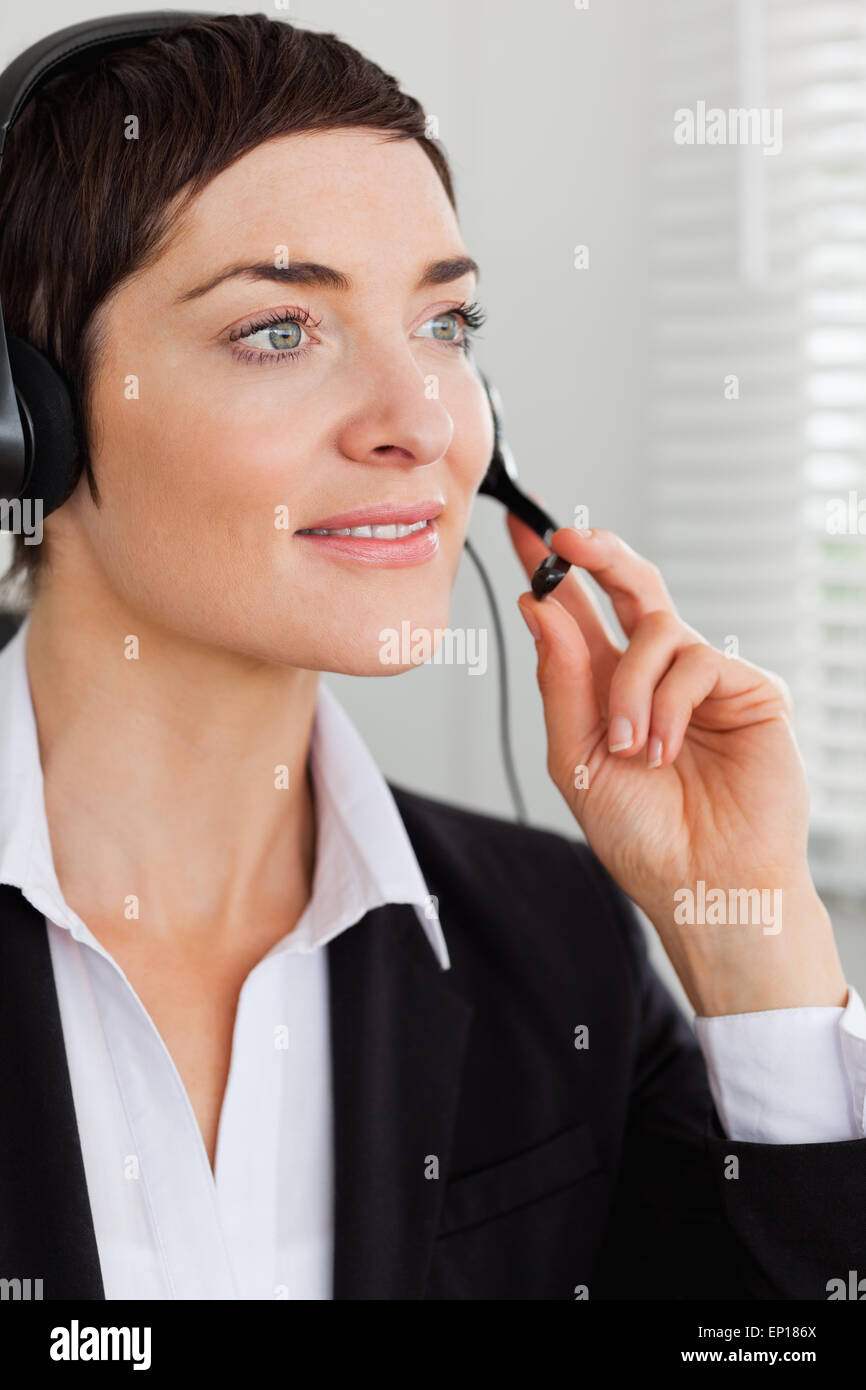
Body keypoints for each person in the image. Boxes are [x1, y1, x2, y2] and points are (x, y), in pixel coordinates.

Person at [0, 12, 863, 1302]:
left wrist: (751, 944)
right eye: (279, 330)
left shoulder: (557, 939)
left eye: (448, 325)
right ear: (28, 421)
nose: (424, 423)